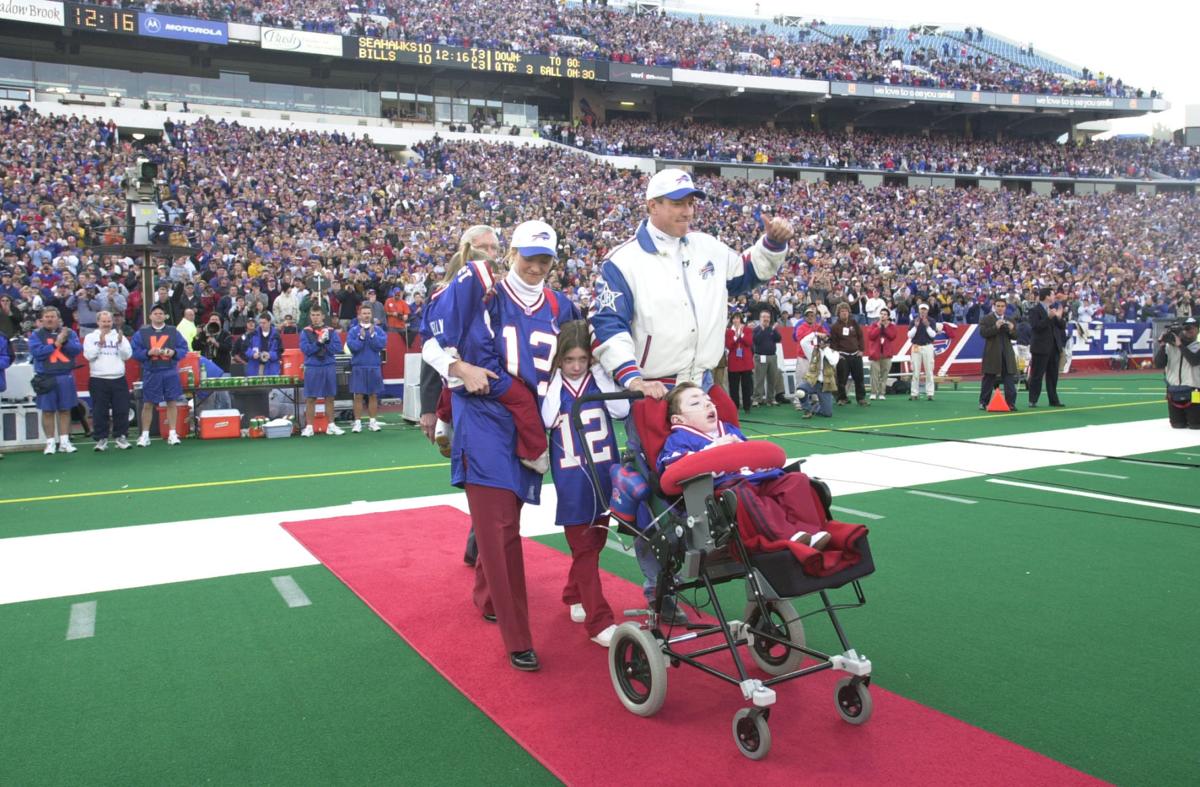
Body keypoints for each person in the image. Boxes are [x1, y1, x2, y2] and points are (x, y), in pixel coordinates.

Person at [590, 168, 793, 620]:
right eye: (677, 202)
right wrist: (632, 376)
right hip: (652, 391)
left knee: (725, 475)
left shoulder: (707, 247)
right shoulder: (622, 262)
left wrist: (771, 244)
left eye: (691, 201)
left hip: (701, 383)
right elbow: (606, 326)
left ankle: (724, 562)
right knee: (652, 493)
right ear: (651, 206)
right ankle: (656, 590)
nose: (687, 210)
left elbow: (746, 274)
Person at [421, 220, 580, 672]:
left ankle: (487, 594)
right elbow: (430, 334)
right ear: (511, 253)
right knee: (498, 529)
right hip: (486, 416)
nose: (536, 265)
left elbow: (570, 364)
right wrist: (456, 366)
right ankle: (518, 636)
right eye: (528, 255)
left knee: (509, 520)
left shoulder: (561, 304)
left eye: (545, 258)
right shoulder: (481, 287)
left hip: (532, 421)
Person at [659, 383, 831, 552]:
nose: (707, 404)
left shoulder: (728, 429)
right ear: (678, 419)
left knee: (796, 480)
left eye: (708, 400)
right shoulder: (679, 439)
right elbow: (675, 467)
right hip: (722, 489)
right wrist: (714, 449)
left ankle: (810, 532)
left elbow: (749, 453)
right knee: (744, 493)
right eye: (695, 403)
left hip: (758, 477)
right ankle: (785, 536)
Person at [419, 225, 503, 568]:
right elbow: (431, 346)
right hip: (460, 396)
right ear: (465, 249)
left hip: (497, 391)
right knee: (477, 470)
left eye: (494, 247)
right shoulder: (447, 291)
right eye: (482, 247)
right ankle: (481, 543)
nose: (489, 253)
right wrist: (428, 409)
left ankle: (479, 542)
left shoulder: (502, 287)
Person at [539, 320, 626, 648]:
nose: (576, 366)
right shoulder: (556, 386)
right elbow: (547, 419)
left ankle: (573, 593)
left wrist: (602, 372)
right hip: (572, 479)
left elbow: (621, 409)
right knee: (586, 549)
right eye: (569, 360)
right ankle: (599, 620)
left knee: (595, 544)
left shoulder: (597, 379)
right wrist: (555, 377)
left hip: (605, 473)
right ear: (559, 359)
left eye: (582, 359)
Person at [131, 303, 189, 447]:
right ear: (150, 316)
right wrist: (148, 353)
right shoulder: (142, 333)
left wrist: (174, 353)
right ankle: (145, 435)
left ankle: (172, 433)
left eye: (161, 313)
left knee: (172, 402)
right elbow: (134, 352)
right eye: (155, 313)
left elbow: (183, 348)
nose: (158, 315)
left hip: (169, 370)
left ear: (165, 316)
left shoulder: (173, 331)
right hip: (152, 371)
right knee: (148, 403)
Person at [29, 307, 83, 454]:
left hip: (65, 374)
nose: (49, 319)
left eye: (52, 316)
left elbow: (77, 350)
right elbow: (37, 353)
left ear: (58, 319)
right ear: (42, 319)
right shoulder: (36, 335)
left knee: (65, 409)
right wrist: (55, 344)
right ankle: (50, 442)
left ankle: (65, 441)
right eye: (46, 317)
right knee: (47, 411)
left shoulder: (69, 333)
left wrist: (64, 341)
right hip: (46, 376)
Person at [82, 310, 132, 451]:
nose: (106, 324)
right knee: (99, 411)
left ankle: (121, 437)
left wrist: (121, 343)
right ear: (98, 322)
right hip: (98, 379)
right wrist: (100, 344)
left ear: (112, 322)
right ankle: (101, 439)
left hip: (118, 378)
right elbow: (89, 356)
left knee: (121, 410)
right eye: (103, 321)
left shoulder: (119, 336)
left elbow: (127, 356)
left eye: (108, 321)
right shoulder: (91, 337)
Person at [299, 305, 345, 437]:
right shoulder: (305, 332)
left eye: (318, 315)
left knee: (329, 397)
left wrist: (326, 342)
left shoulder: (331, 331)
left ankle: (331, 425)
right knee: (310, 398)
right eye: (313, 315)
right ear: (310, 316)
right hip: (313, 367)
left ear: (323, 316)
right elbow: (306, 350)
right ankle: (309, 427)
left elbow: (337, 348)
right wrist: (318, 343)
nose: (315, 318)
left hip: (328, 366)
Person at [346, 303, 387, 433]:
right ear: (359, 315)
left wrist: (372, 335)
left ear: (371, 315)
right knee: (358, 395)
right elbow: (353, 347)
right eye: (364, 313)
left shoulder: (378, 330)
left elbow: (380, 346)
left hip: (373, 366)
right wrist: (362, 337)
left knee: (373, 395)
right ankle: (357, 422)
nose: (366, 316)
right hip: (358, 366)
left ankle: (373, 422)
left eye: (368, 313)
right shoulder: (353, 331)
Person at [1154, 317, 1200, 429]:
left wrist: (1180, 345)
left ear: (1198, 330)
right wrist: (1162, 346)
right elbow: (1159, 364)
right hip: (1173, 391)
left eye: (1192, 328)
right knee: (1177, 425)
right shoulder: (1169, 347)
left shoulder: (1197, 346)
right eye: (1186, 328)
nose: (1189, 331)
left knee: (1196, 425)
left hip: (1195, 391)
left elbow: (1194, 361)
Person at [1027, 287, 1067, 408]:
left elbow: (1061, 326)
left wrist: (1059, 317)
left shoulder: (1052, 309)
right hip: (1040, 347)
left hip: (1054, 347)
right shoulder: (1035, 310)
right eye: (1053, 294)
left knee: (1053, 375)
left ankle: (1053, 400)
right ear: (1047, 296)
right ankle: (1033, 400)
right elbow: (1036, 327)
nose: (1054, 296)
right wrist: (1048, 317)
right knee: (1037, 375)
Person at [978, 296, 1019, 412]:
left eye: (1002, 306)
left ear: (1005, 308)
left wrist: (1012, 329)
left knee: (1009, 378)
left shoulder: (1010, 319)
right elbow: (983, 333)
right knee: (989, 378)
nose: (1000, 308)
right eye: (998, 306)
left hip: (1007, 353)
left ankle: (1011, 403)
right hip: (992, 352)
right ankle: (983, 402)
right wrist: (995, 327)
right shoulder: (987, 319)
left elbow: (1016, 336)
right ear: (994, 307)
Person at [830, 302, 867, 406]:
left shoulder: (854, 323)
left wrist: (861, 350)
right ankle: (842, 398)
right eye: (842, 311)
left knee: (859, 378)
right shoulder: (835, 326)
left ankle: (861, 398)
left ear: (849, 312)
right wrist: (837, 355)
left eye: (846, 311)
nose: (844, 313)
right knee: (841, 380)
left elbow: (860, 337)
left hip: (856, 354)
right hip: (843, 356)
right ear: (838, 313)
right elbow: (833, 342)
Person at [795, 333, 837, 419]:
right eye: (821, 341)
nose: (822, 343)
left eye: (826, 341)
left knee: (827, 413)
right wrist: (815, 333)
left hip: (825, 384)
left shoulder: (835, 353)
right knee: (800, 391)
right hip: (813, 382)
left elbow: (832, 361)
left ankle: (815, 408)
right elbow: (803, 342)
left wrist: (826, 348)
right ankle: (807, 409)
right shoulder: (812, 351)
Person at [907, 302, 939, 401]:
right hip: (916, 346)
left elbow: (933, 335)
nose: (923, 311)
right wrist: (915, 327)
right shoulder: (914, 321)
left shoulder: (932, 321)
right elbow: (910, 335)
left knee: (929, 370)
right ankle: (914, 393)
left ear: (927, 311)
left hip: (927, 346)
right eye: (921, 309)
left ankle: (930, 393)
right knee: (915, 371)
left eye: (925, 309)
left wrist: (927, 326)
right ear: (919, 310)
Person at [752, 310, 783, 406]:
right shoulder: (756, 329)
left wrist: (774, 330)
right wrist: (762, 329)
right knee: (759, 379)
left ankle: (771, 399)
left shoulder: (771, 329)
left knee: (772, 379)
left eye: (768, 317)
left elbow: (778, 339)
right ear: (760, 318)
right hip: (760, 357)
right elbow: (756, 340)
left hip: (772, 357)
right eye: (764, 317)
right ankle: (757, 399)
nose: (766, 319)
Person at [865, 307, 897, 401]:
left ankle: (882, 393)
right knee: (874, 374)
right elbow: (871, 336)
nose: (882, 316)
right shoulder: (874, 325)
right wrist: (879, 327)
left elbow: (892, 336)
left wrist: (886, 328)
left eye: (885, 314)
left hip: (886, 354)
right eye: (881, 314)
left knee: (884, 375)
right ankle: (873, 392)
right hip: (875, 353)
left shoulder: (891, 326)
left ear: (888, 317)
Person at [725, 313, 754, 413]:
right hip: (734, 363)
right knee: (734, 387)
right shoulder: (728, 332)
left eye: (738, 318)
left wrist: (741, 334)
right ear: (732, 320)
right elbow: (729, 345)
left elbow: (749, 342)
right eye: (734, 318)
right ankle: (735, 407)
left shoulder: (747, 330)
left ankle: (747, 406)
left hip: (746, 362)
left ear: (741, 320)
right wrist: (735, 336)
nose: (736, 320)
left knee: (747, 386)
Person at [792, 304, 827, 383]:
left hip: (815, 358)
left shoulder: (819, 326)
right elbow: (801, 339)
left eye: (812, 315)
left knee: (815, 381)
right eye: (808, 316)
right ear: (805, 318)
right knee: (801, 380)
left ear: (815, 318)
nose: (810, 317)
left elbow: (826, 336)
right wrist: (816, 330)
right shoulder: (801, 327)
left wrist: (824, 342)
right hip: (803, 358)